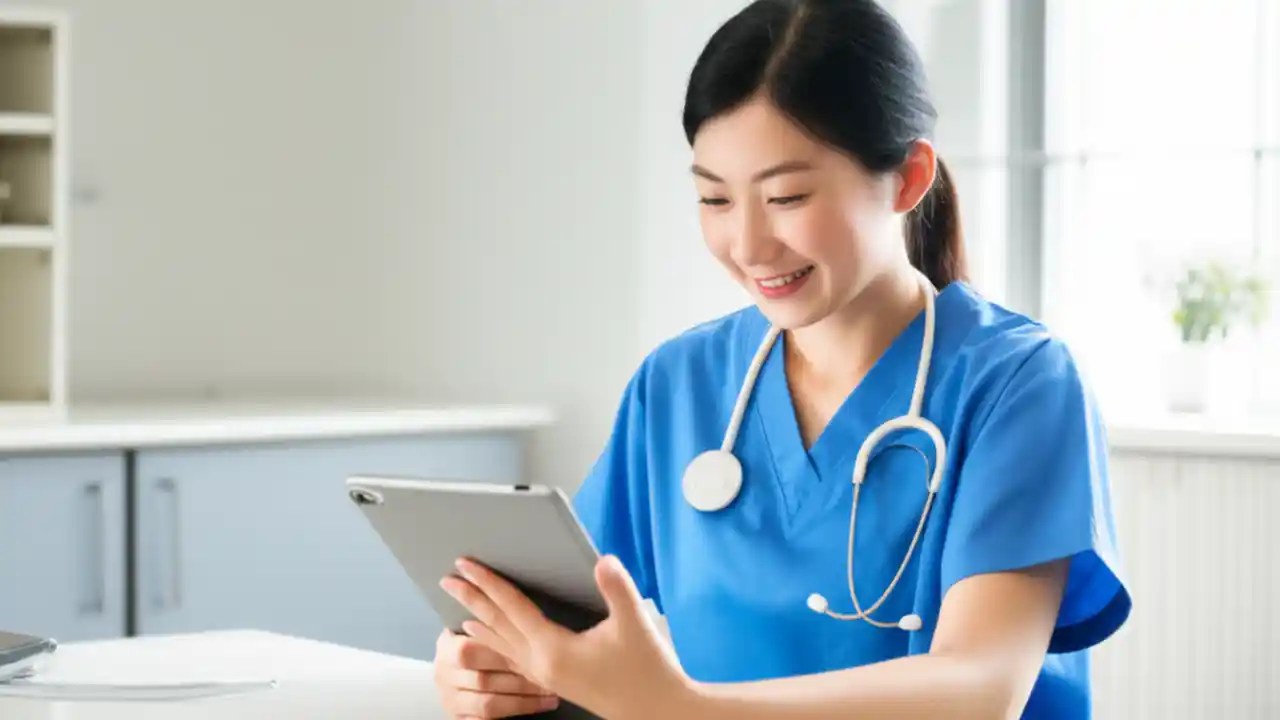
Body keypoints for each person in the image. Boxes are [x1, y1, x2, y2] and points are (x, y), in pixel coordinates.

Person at [433, 0, 1131, 717]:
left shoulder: (1018, 384)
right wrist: (488, 664)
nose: (748, 245)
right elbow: (570, 629)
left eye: (786, 196)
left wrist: (681, 709)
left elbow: (981, 689)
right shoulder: (677, 387)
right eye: (714, 199)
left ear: (908, 178)